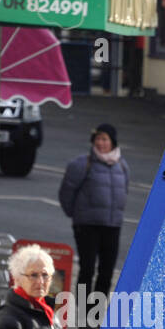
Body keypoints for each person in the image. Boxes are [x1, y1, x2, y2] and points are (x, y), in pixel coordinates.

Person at [58, 123, 130, 312]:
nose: (101, 143)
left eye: (105, 139)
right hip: (87, 226)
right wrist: (76, 215)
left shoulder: (122, 166)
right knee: (87, 269)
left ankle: (95, 314)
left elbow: (125, 191)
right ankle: (83, 314)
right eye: (98, 139)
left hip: (112, 226)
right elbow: (66, 193)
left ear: (112, 142)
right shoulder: (81, 164)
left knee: (106, 272)